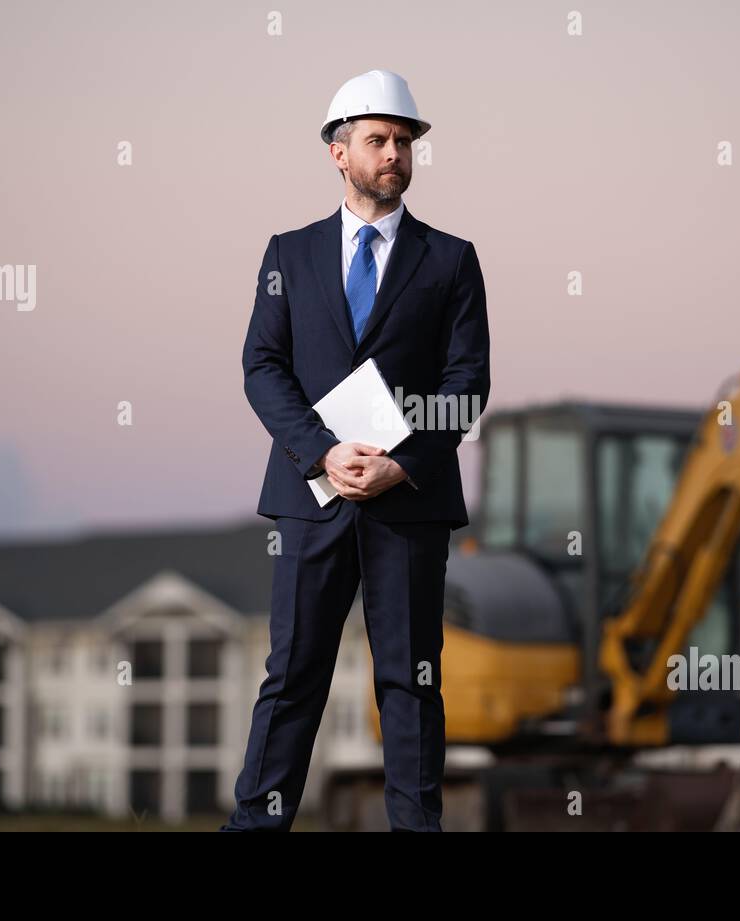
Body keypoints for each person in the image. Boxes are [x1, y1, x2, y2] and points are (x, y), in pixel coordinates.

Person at [220, 69, 490, 831]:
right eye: (378, 140)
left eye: (404, 142)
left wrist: (403, 463)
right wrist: (322, 453)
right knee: (293, 676)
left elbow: (467, 381)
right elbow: (261, 367)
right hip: (313, 497)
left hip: (409, 501)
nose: (395, 154)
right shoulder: (289, 254)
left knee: (409, 680)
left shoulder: (452, 260)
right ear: (339, 153)